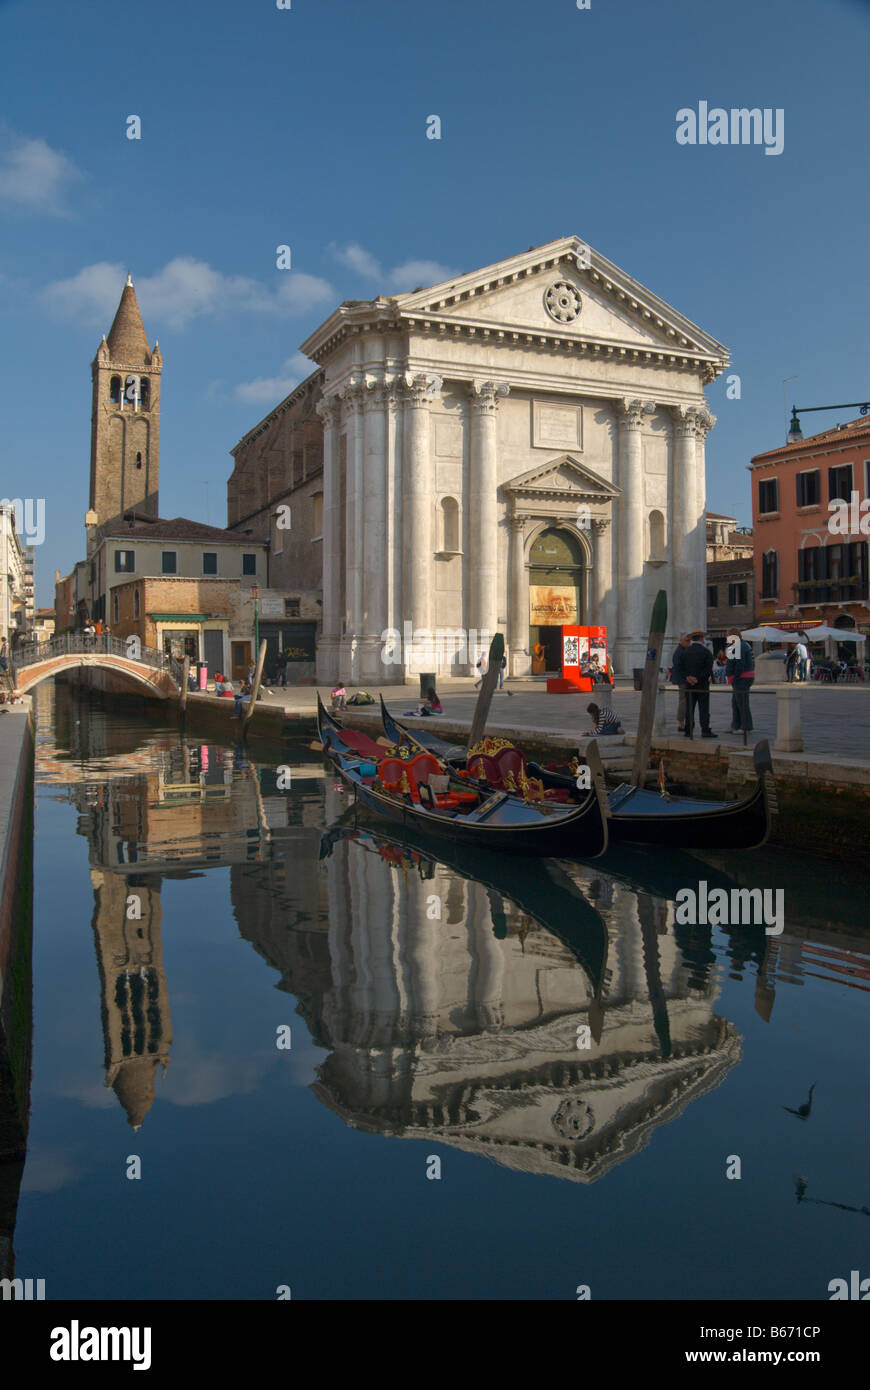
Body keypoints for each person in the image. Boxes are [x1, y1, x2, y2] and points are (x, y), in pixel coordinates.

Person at [682, 630, 716, 738]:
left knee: (689, 708)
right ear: (701, 638)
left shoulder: (686, 651)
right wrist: (698, 678)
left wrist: (688, 677)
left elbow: (681, 666)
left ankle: (688, 730)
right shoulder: (706, 652)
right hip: (702, 684)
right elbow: (708, 669)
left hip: (689, 684)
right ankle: (705, 730)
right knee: (704, 708)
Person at [725, 628, 755, 733]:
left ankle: (746, 727)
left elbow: (739, 664)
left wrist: (734, 677)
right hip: (743, 677)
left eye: (728, 636)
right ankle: (736, 725)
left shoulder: (739, 646)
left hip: (742, 678)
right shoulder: (741, 645)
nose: (726, 638)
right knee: (736, 702)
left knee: (742, 703)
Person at [670, 633, 691, 731]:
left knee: (685, 700)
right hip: (683, 680)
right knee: (683, 701)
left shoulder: (683, 650)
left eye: (689, 641)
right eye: (687, 641)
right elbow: (679, 666)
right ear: (681, 641)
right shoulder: (680, 651)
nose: (689, 643)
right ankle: (681, 723)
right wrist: (686, 677)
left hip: (683, 679)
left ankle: (683, 722)